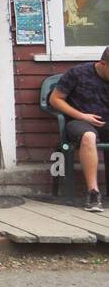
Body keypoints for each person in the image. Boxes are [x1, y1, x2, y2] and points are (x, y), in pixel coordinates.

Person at [48, 46, 109, 211]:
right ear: (103, 63)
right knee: (88, 136)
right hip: (80, 122)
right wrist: (82, 115)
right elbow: (55, 99)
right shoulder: (78, 73)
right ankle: (93, 193)